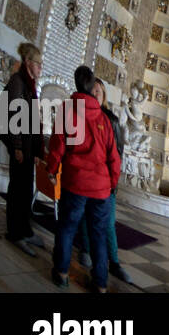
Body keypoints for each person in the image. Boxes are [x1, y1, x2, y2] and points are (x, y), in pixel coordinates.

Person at [47, 66, 121, 291]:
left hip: (76, 183)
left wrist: (52, 170)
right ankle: (100, 285)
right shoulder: (103, 118)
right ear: (91, 87)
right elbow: (113, 157)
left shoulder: (68, 110)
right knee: (98, 235)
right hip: (101, 189)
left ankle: (61, 273)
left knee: (67, 228)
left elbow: (58, 144)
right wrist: (112, 183)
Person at [73, 79, 128, 282]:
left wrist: (114, 182)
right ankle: (85, 251)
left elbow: (118, 153)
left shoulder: (111, 120)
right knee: (86, 218)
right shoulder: (82, 115)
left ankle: (114, 262)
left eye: (100, 91)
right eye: (94, 90)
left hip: (105, 181)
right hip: (86, 178)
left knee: (108, 224)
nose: (96, 94)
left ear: (104, 97)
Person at [0, 43, 44, 257]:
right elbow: (13, 115)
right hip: (19, 146)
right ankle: (15, 233)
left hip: (27, 147)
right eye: (38, 64)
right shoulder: (18, 81)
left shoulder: (31, 85)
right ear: (28, 63)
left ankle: (25, 230)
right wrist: (16, 146)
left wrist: (37, 151)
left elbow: (34, 121)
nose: (40, 68)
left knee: (26, 189)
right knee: (17, 190)